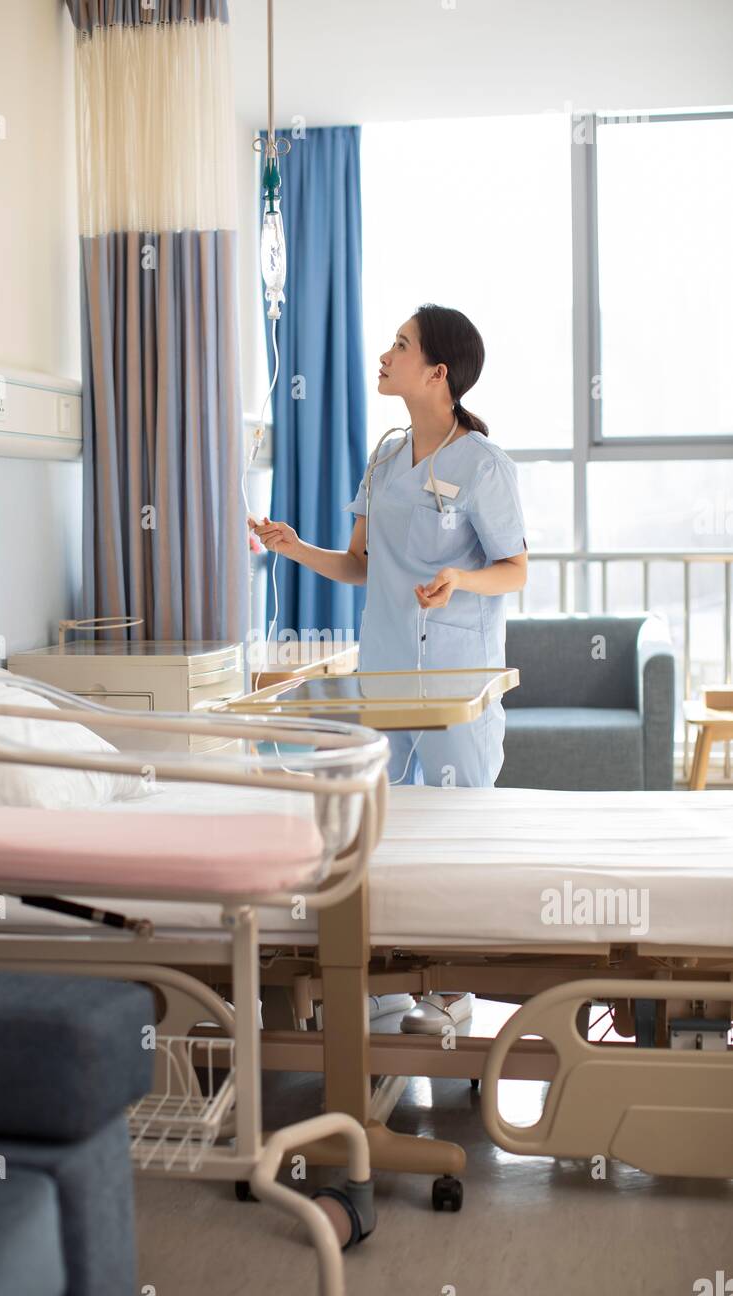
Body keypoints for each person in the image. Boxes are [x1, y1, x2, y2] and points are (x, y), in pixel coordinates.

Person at [248, 304, 527, 1034]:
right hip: (388, 672)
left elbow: (515, 569)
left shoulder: (483, 464)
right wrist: (296, 547)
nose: (385, 354)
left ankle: (451, 987)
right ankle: (387, 980)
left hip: (457, 676)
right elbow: (360, 565)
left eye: (400, 346)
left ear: (438, 373)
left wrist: (460, 581)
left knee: (456, 832)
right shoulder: (384, 455)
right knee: (387, 829)